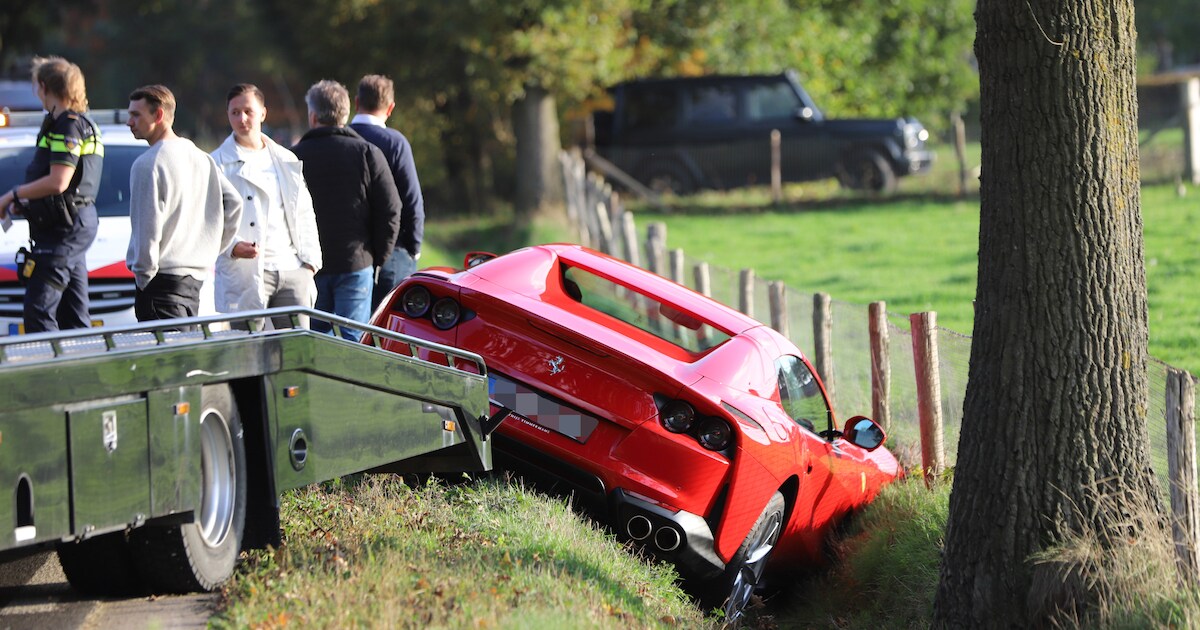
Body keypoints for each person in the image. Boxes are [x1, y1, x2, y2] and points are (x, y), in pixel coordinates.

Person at [290, 79, 401, 340]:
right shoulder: (367, 153)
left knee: (311, 344)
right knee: (352, 346)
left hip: (309, 266)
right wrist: (378, 256)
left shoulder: (293, 158)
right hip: (356, 263)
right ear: (345, 113)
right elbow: (391, 209)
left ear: (313, 116)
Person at [0, 56, 101, 333]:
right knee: (74, 317)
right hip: (68, 224)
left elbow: (59, 181)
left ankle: (47, 374)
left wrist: (13, 195)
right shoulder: (73, 122)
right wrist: (29, 202)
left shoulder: (68, 124)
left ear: (43, 86)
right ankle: (80, 372)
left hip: (64, 229)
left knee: (39, 311)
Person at [125, 84, 241, 324]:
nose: (129, 122)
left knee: (164, 361)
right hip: (194, 282)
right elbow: (235, 203)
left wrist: (143, 277)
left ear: (158, 116)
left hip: (160, 283)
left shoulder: (147, 164)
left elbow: (147, 228)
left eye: (136, 114)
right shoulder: (201, 157)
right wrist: (210, 249)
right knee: (184, 359)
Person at [211, 83, 322, 330]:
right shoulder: (216, 163)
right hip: (245, 272)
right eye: (235, 112)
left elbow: (303, 211)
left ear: (263, 113)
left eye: (248, 111)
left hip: (291, 268)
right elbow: (206, 221)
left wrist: (309, 264)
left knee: (295, 354)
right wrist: (231, 247)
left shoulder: (285, 158)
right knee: (246, 354)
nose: (242, 118)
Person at [349, 74, 425, 309]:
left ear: (356, 101)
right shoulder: (395, 143)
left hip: (347, 251)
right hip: (392, 251)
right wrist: (413, 247)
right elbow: (411, 200)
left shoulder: (341, 138)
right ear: (390, 108)